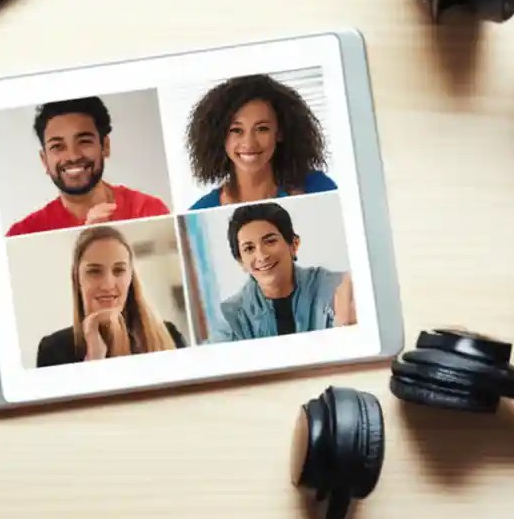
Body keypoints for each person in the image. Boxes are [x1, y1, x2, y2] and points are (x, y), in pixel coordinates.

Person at [8, 96, 171, 236]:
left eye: (84, 141)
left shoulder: (147, 211)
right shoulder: (22, 234)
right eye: (57, 146)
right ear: (44, 160)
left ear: (105, 146)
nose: (73, 156)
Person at [37, 225, 187, 367]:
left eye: (119, 270)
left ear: (131, 277)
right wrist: (94, 360)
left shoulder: (170, 336)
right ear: (77, 278)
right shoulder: (53, 351)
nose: (108, 284)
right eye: (94, 271)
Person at [209, 202, 355, 342]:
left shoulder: (335, 288)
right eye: (249, 249)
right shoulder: (231, 317)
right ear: (240, 261)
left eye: (270, 241)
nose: (262, 256)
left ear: (293, 244)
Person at [186, 74, 337, 210]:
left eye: (262, 129)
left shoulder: (318, 188)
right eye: (236, 130)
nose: (249, 143)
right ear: (219, 136)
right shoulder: (201, 211)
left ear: (280, 133)